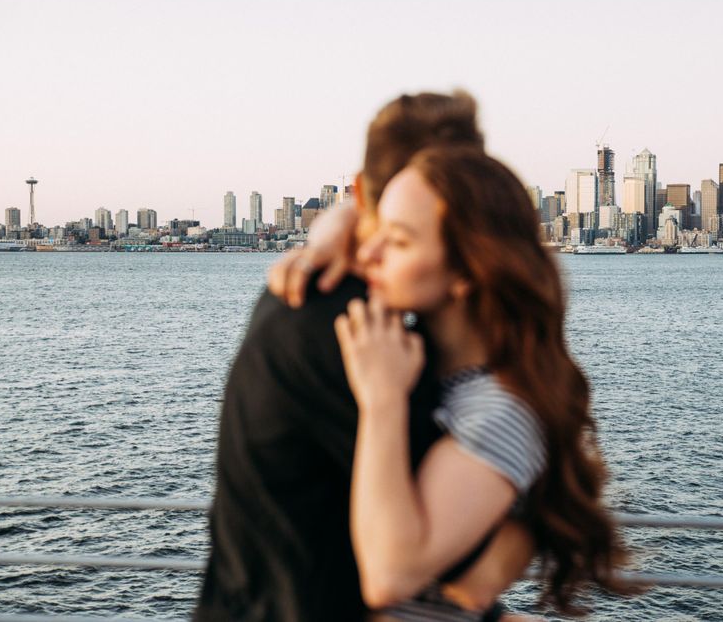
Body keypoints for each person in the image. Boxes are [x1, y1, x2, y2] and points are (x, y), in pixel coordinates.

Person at [195, 92, 532, 621]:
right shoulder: (362, 332)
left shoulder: (306, 291)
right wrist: (540, 526)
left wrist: (341, 219)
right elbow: (443, 559)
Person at [333, 147, 630, 619]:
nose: (369, 253)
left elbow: (390, 576)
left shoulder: (503, 411)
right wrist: (325, 237)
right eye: (376, 233)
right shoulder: (433, 371)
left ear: (467, 271)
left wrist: (382, 400)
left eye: (400, 241)